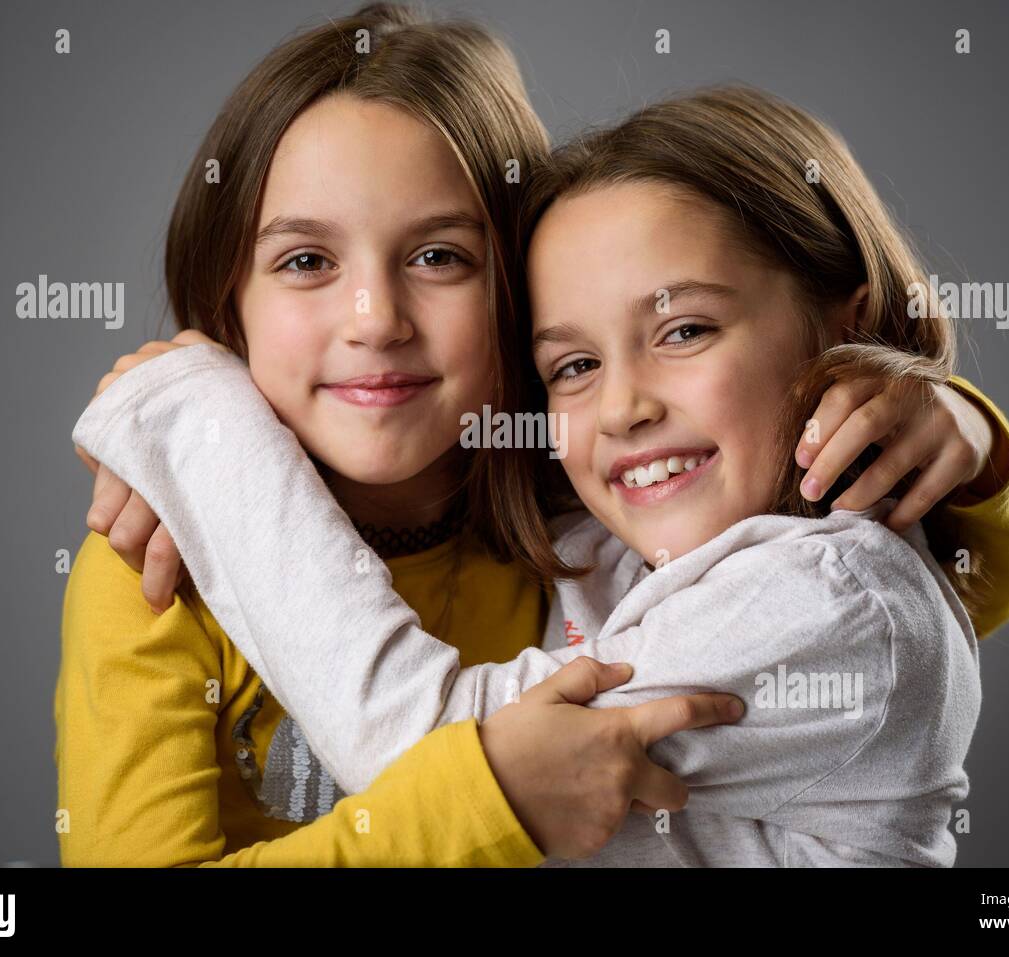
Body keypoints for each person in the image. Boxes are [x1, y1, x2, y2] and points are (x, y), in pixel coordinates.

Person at [73, 86, 1009, 866]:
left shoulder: (817, 591)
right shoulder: (593, 524)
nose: (624, 406)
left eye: (684, 330)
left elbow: (909, 603)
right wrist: (188, 468)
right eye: (575, 365)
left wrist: (198, 429)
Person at [55, 3, 745, 868]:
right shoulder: (158, 564)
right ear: (230, 300)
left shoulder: (601, 503)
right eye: (307, 262)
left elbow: (875, 625)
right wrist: (487, 804)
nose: (375, 319)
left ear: (524, 289)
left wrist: (955, 445)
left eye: (439, 257)